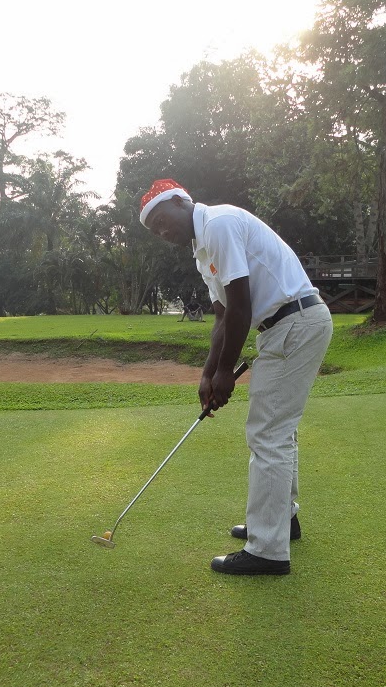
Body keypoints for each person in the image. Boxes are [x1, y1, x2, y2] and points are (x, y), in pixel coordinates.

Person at [140, 178, 333, 576]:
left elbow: (242, 304)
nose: (161, 231)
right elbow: (223, 316)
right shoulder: (202, 251)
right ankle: (282, 520)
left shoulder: (218, 224)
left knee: (268, 433)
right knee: (279, 430)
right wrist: (208, 374)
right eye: (153, 229)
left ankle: (267, 550)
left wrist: (227, 372)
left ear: (181, 202)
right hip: (287, 325)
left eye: (161, 219)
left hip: (294, 323)